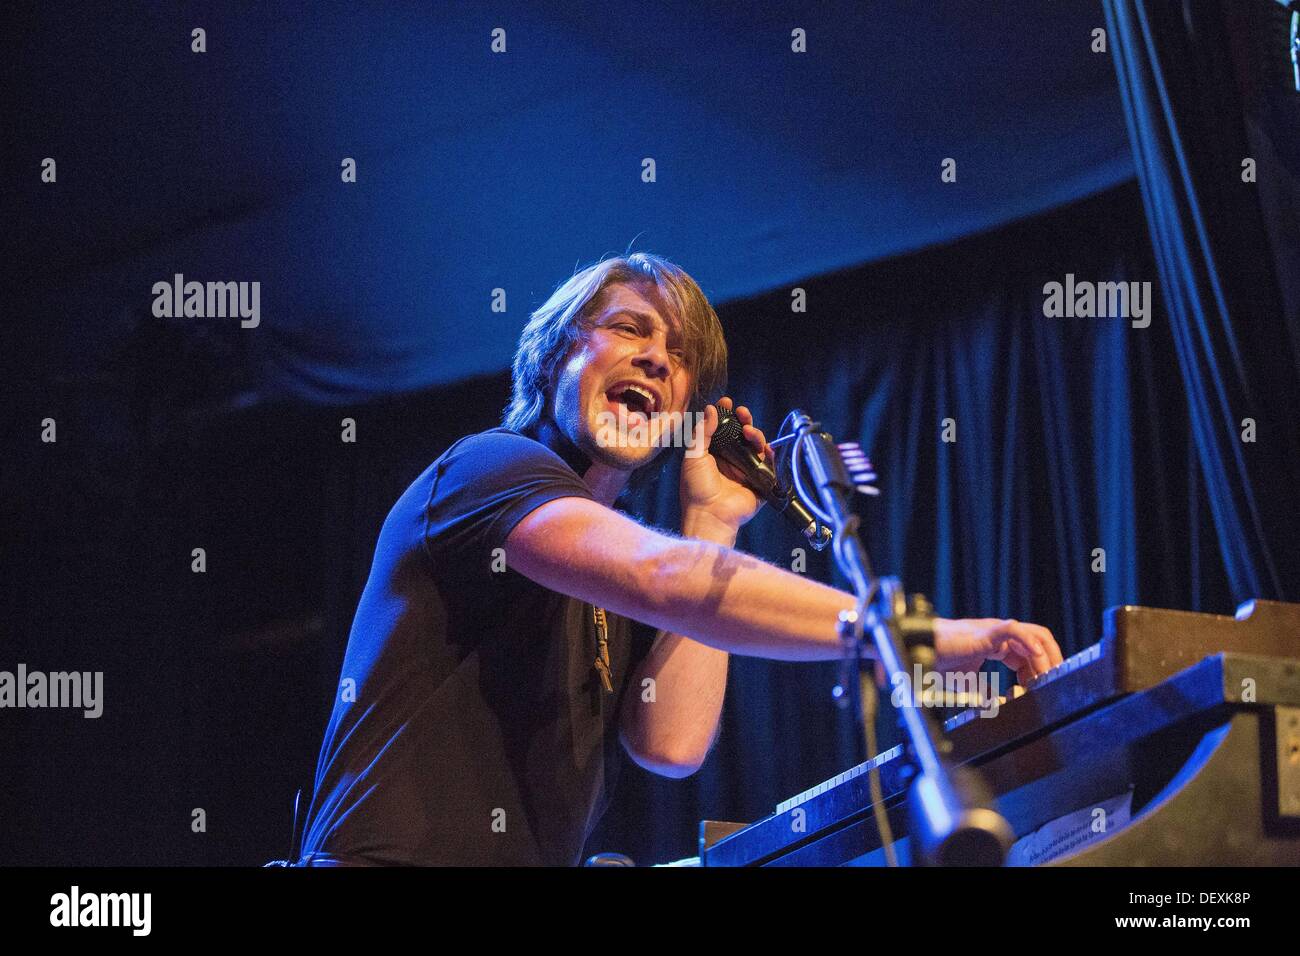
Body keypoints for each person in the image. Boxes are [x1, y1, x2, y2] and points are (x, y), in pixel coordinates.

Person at [296, 253, 1062, 866]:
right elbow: (665, 579)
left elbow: (669, 744)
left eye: (679, 354)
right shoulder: (488, 469)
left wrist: (712, 522)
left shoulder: (614, 563)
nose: (658, 360)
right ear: (558, 354)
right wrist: (921, 634)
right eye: (629, 329)